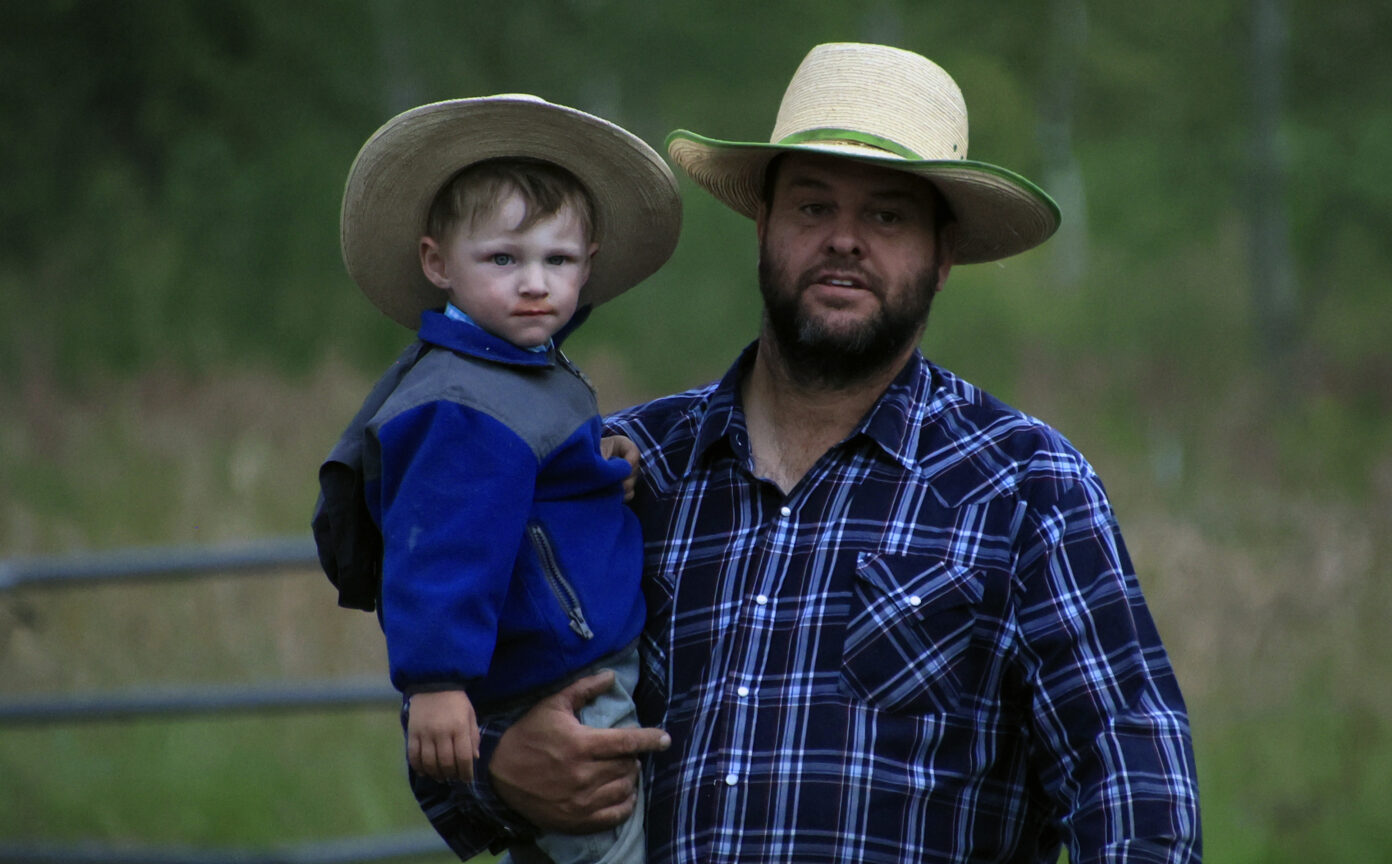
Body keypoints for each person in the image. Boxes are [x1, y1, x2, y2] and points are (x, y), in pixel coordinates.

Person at [485, 43, 1202, 862]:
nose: (845, 241)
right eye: (813, 207)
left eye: (887, 216)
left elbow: (1138, 793)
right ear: (763, 225)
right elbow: (460, 659)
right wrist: (496, 768)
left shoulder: (1025, 488)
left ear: (942, 255)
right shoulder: (627, 465)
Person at [317, 94, 681, 863]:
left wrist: (594, 463)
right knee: (605, 838)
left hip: (572, 657)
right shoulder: (461, 401)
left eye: (558, 261)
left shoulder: (522, 371)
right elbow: (440, 542)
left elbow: (529, 492)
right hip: (558, 676)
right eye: (503, 260)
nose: (534, 284)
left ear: (587, 265)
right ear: (436, 262)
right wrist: (437, 681)